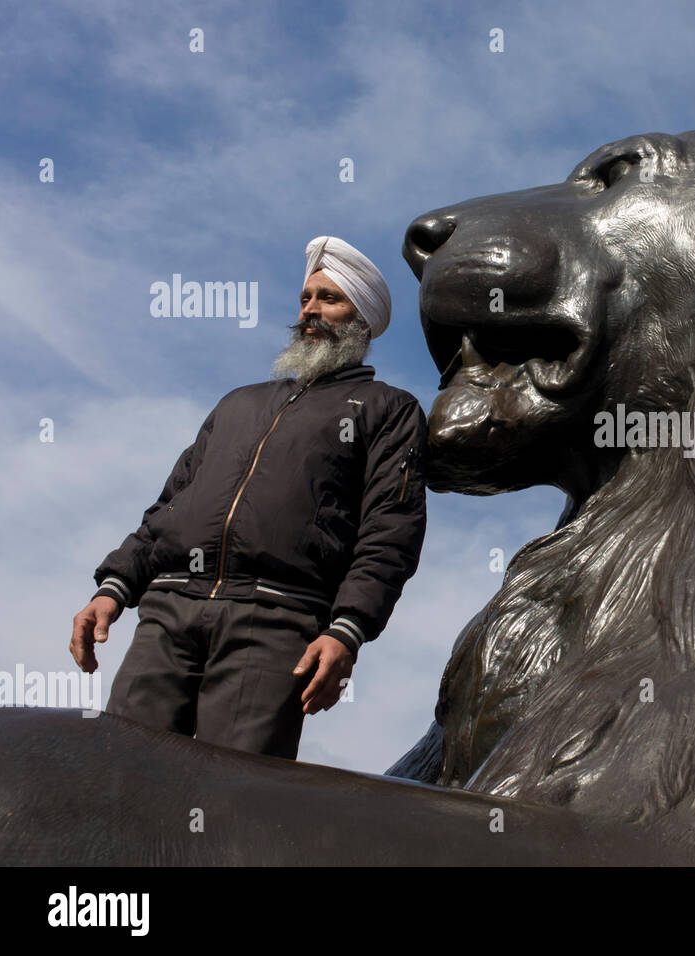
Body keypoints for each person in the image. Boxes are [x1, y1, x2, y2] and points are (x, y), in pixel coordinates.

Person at [69, 236, 428, 759]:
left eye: (330, 299)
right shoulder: (238, 404)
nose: (311, 310)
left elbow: (390, 532)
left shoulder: (387, 409)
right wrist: (113, 587)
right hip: (168, 610)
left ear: (362, 320)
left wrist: (347, 630)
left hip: (277, 620)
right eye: (307, 297)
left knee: (235, 799)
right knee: (121, 777)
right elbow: (167, 511)